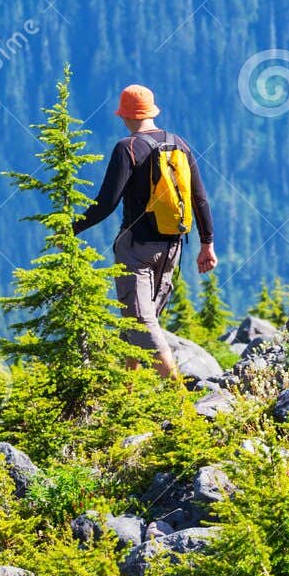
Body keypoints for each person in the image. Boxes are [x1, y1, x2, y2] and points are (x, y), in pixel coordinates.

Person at [74, 84, 216, 379]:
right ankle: (128, 393)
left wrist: (71, 228)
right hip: (172, 248)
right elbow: (198, 198)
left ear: (125, 115)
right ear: (151, 111)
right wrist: (207, 244)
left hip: (136, 248)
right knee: (139, 320)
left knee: (140, 322)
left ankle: (178, 402)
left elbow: (106, 203)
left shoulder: (127, 148)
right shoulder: (179, 144)